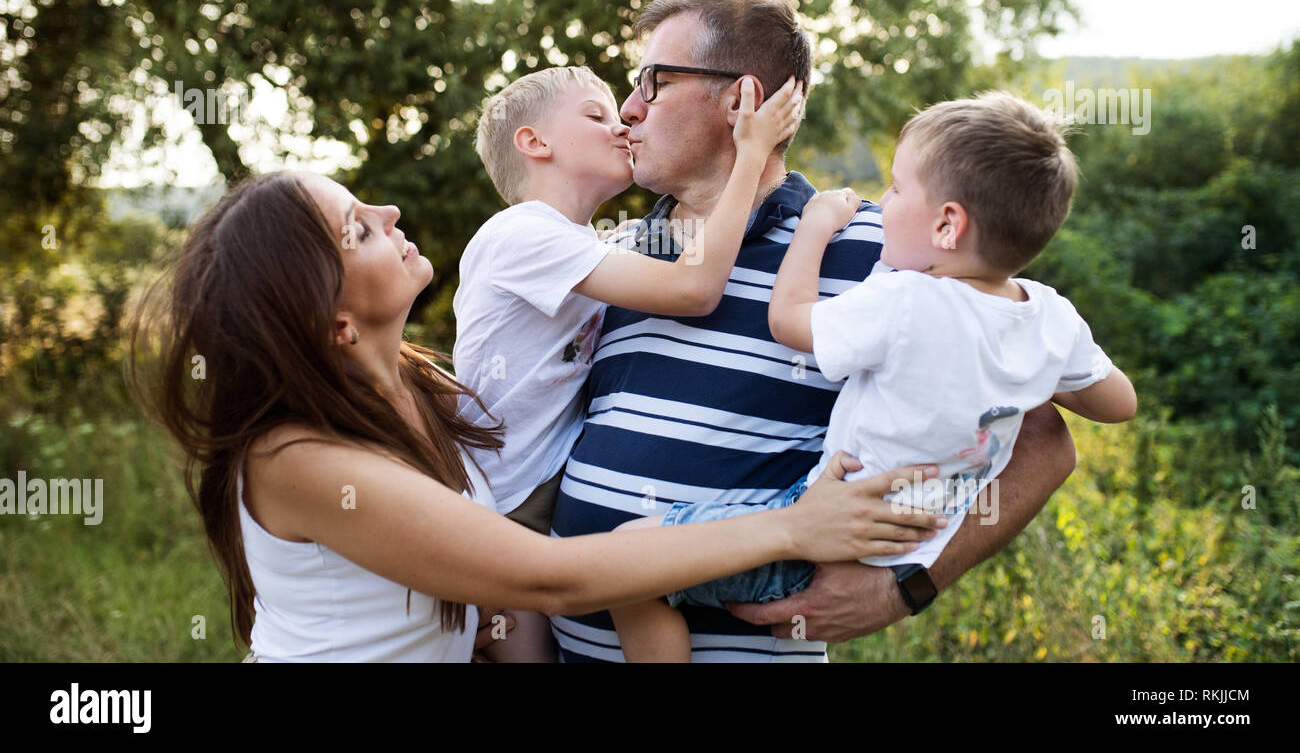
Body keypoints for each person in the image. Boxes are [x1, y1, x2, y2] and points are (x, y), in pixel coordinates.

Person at [126, 169, 946, 662]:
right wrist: (796, 529)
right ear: (332, 321)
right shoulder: (297, 459)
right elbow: (545, 576)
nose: (390, 215)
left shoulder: (426, 388)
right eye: (357, 229)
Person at [548, 0, 1080, 663]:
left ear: (740, 100)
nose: (630, 108)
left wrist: (906, 587)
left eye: (654, 80)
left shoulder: (883, 254)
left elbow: (1044, 440)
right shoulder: (614, 256)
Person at [610, 92, 1138, 661]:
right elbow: (1118, 403)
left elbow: (788, 322)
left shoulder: (905, 298)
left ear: (946, 225)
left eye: (895, 187)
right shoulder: (1051, 316)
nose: (879, 201)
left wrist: (815, 226)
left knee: (626, 561)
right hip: (907, 546)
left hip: (821, 540)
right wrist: (1015, 361)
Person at [453, 64, 802, 660]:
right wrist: (749, 153)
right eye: (596, 116)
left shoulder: (594, 245)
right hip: (500, 512)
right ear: (534, 143)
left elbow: (683, 246)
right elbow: (694, 289)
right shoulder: (521, 235)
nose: (622, 126)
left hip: (532, 499)